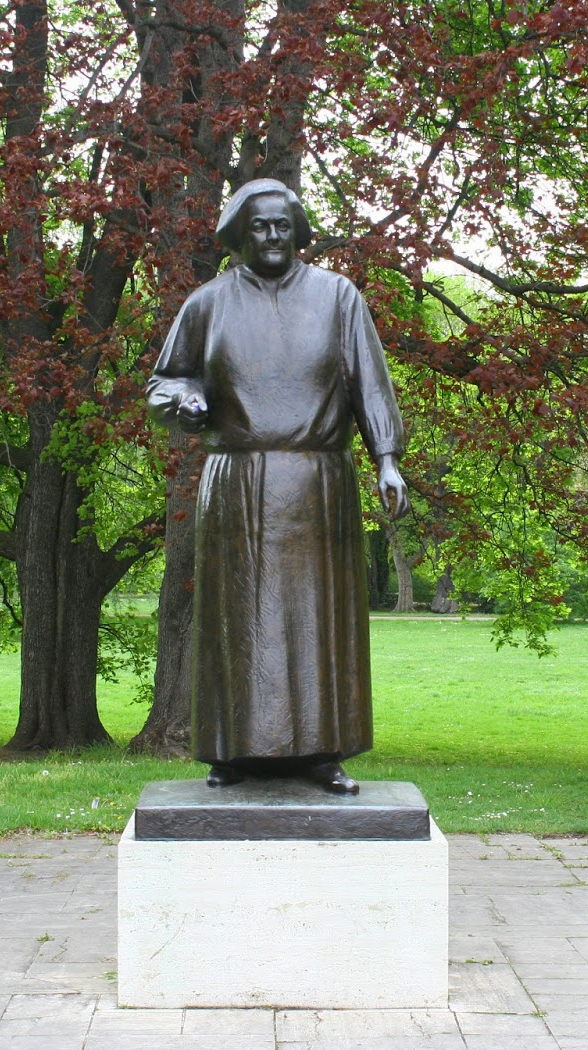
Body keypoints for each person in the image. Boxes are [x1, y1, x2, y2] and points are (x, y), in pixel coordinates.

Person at [146, 179, 408, 796]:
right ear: (239, 233)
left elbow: (371, 383)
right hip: (235, 480)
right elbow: (164, 383)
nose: (271, 236)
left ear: (298, 230)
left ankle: (324, 752)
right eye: (259, 226)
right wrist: (183, 398)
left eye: (282, 225)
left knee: (320, 620)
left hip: (319, 482)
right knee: (236, 617)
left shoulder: (338, 297)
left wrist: (387, 458)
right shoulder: (207, 304)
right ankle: (230, 750)